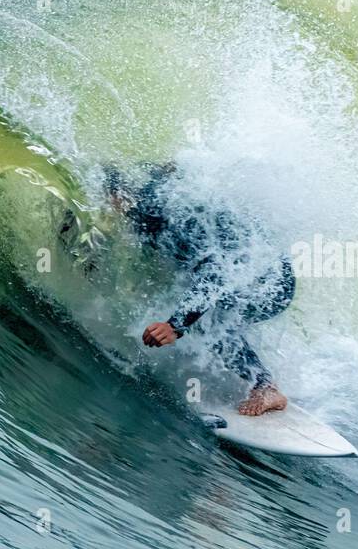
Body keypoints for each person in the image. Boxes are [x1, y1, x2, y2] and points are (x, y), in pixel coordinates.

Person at [73, 163, 294, 416]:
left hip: (270, 285)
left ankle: (266, 386)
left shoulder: (169, 223)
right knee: (203, 304)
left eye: (109, 201)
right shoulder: (152, 198)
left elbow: (214, 275)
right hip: (254, 261)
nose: (110, 209)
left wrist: (175, 326)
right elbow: (169, 168)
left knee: (208, 321)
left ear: (119, 197)